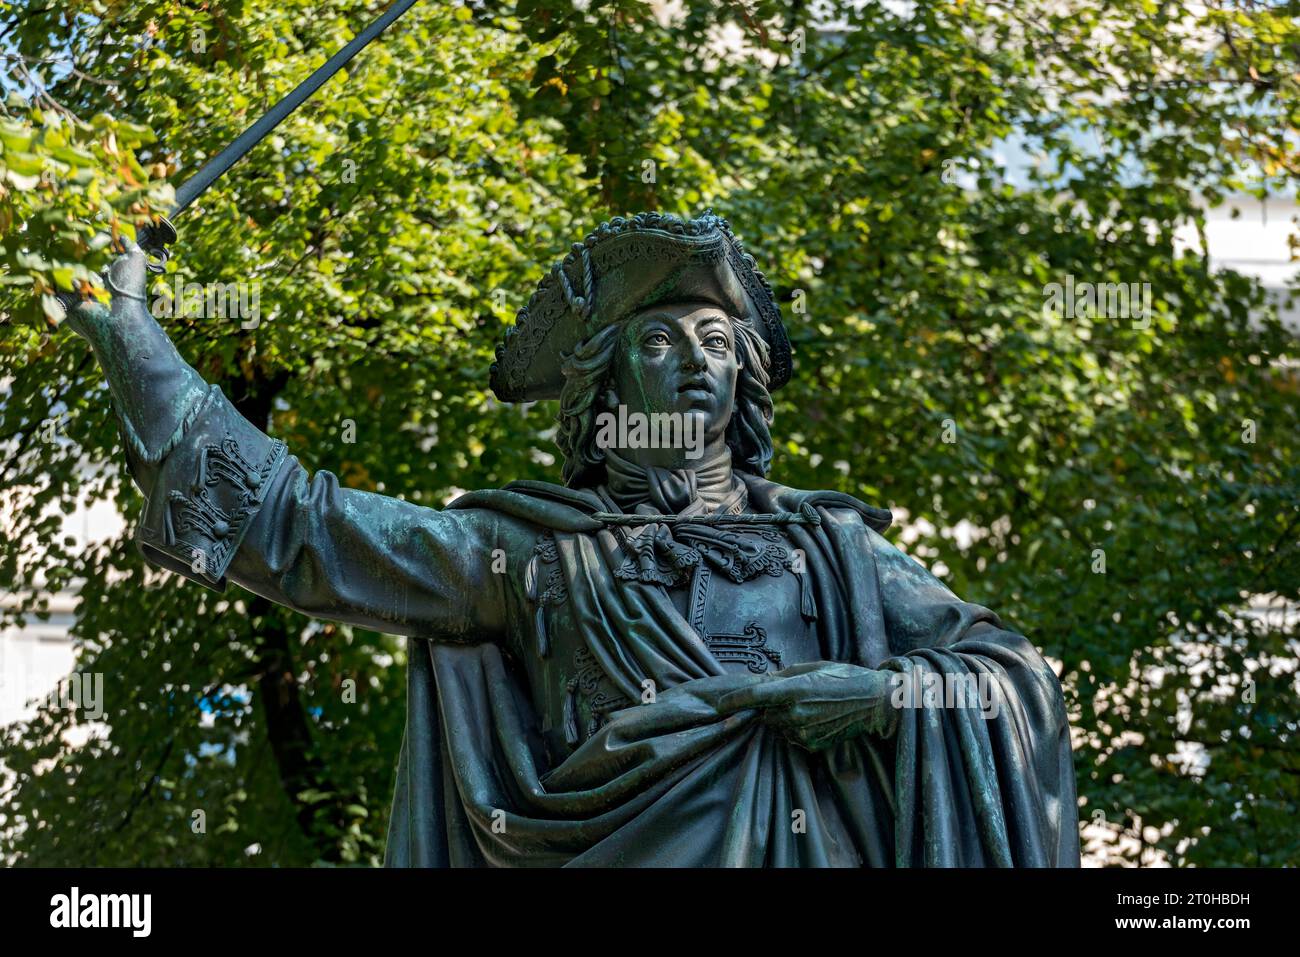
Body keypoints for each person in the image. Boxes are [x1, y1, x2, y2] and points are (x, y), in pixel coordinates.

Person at [64, 210, 1079, 867]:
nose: (696, 360)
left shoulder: (831, 550)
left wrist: (883, 695)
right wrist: (134, 338)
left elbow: (1008, 673)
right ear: (606, 384)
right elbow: (306, 529)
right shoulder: (533, 555)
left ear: (743, 378)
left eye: (717, 342)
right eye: (659, 340)